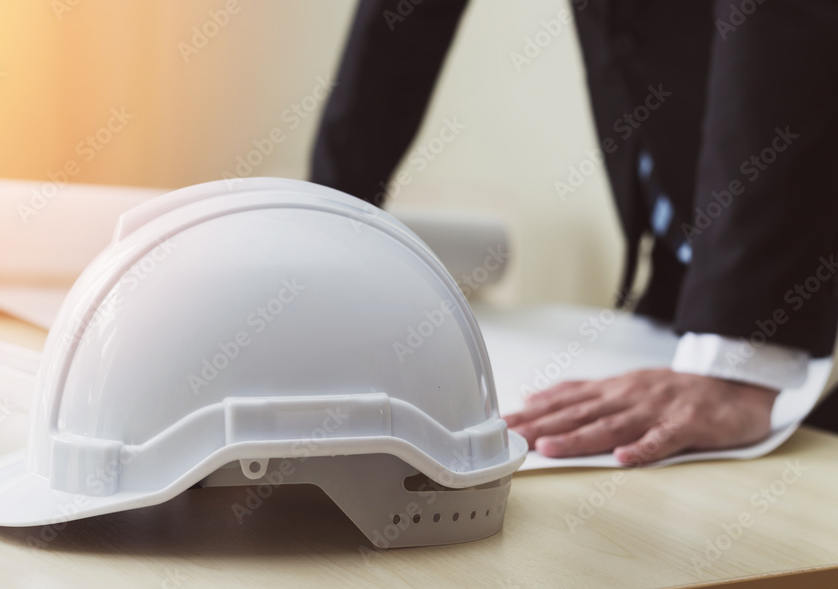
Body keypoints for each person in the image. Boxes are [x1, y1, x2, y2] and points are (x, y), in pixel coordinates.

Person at [310, 0, 838, 465]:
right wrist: (322, 239)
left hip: (784, 291)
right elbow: (399, 25)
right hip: (696, 281)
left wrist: (738, 358)